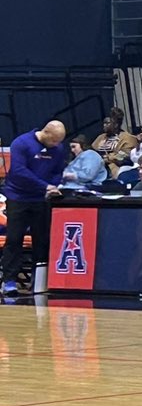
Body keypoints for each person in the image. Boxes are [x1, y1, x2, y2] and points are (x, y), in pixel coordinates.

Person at [1, 120, 69, 297]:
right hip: (18, 197)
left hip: (41, 199)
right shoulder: (21, 143)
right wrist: (44, 186)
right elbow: (18, 171)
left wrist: (52, 186)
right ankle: (9, 281)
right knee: (14, 239)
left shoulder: (58, 148)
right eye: (54, 141)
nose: (56, 145)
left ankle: (38, 281)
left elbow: (58, 171)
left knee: (42, 240)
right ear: (45, 133)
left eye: (58, 142)